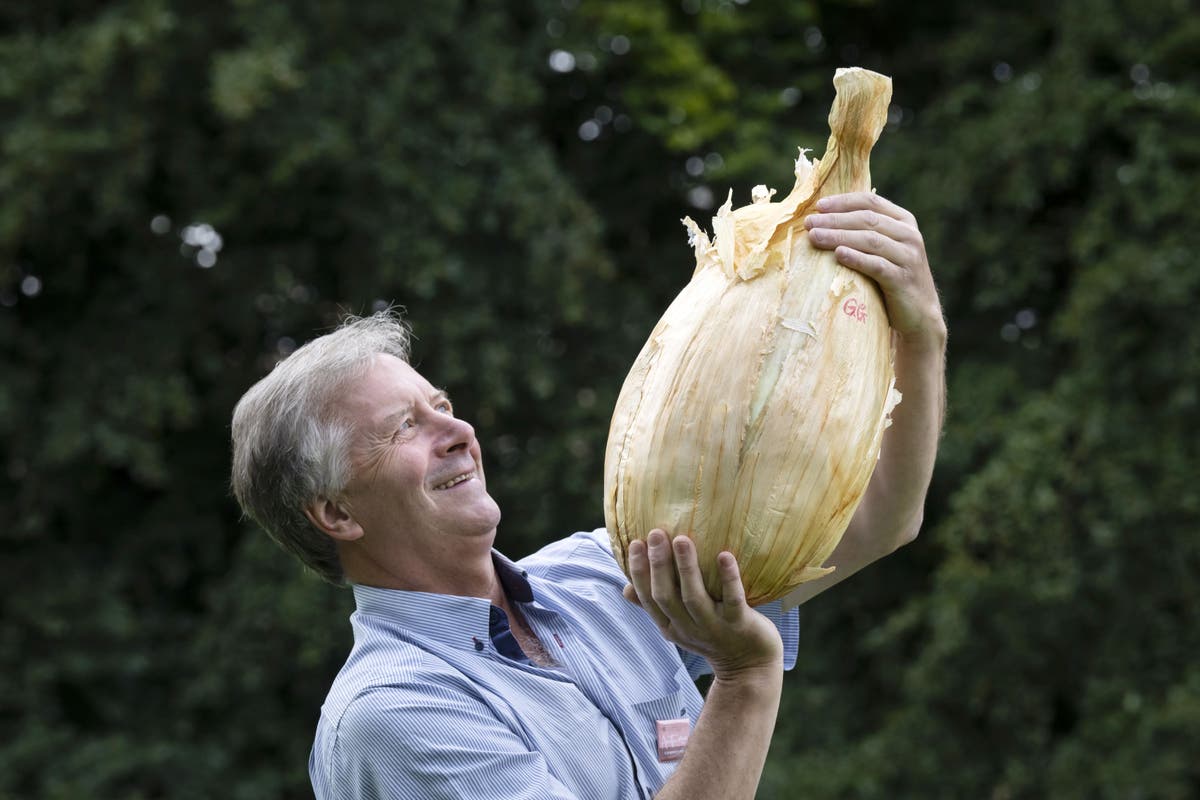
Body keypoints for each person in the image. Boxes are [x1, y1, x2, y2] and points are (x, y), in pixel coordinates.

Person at [230, 191, 946, 800]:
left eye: (443, 405)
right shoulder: (393, 713)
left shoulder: (610, 577)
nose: (457, 432)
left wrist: (921, 333)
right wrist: (744, 678)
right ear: (336, 513)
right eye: (403, 428)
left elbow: (880, 518)